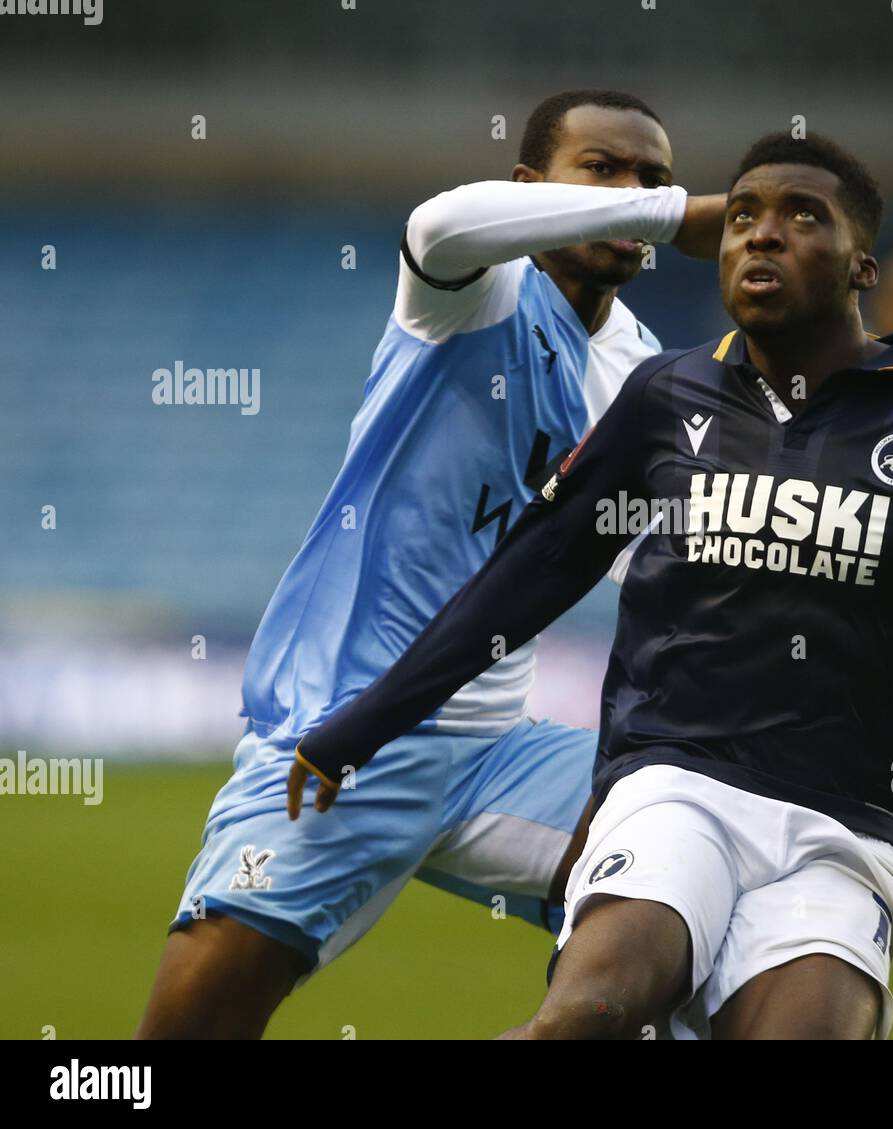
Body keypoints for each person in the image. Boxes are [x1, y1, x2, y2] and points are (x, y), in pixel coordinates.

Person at [288, 131, 893, 1040]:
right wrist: (365, 721)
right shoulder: (666, 395)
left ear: (860, 266)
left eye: (802, 217)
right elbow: (526, 577)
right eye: (743, 216)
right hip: (672, 783)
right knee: (589, 1015)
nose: (760, 235)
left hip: (844, 829)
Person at [136, 88, 726, 1039]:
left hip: (499, 751)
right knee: (187, 1033)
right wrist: (673, 212)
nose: (632, 192)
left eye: (653, 177)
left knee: (695, 887)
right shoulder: (473, 287)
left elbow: (654, 561)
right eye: (603, 170)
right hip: (346, 730)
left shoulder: (639, 372)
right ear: (531, 186)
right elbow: (438, 220)